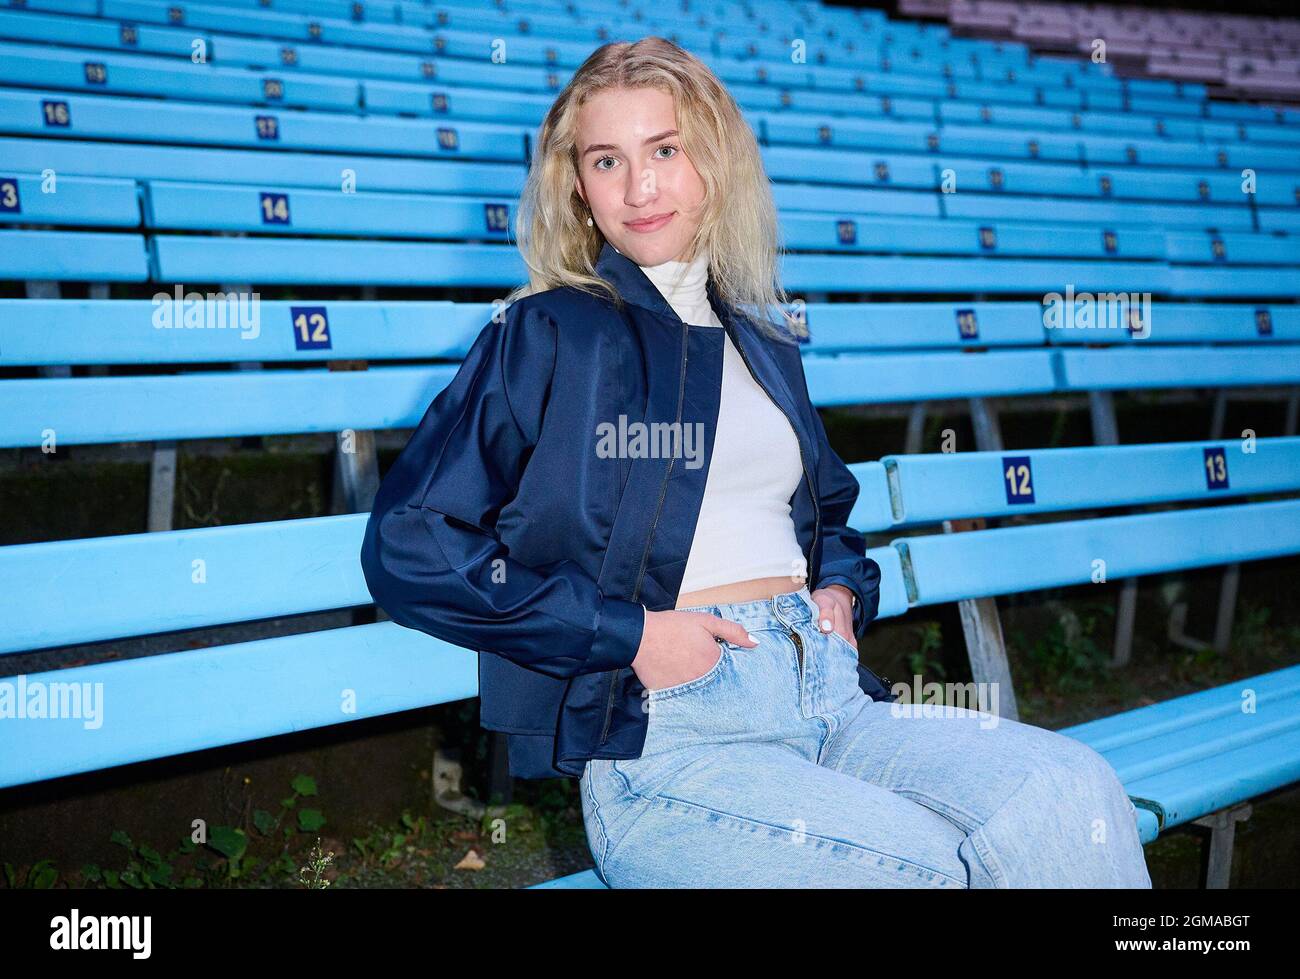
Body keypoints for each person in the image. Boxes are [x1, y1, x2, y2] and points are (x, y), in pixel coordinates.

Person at [362, 37, 1153, 888]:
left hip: (830, 696)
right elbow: (409, 541)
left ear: (713, 158)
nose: (641, 186)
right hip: (672, 738)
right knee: (923, 870)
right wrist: (624, 634)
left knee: (1077, 796)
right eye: (607, 160)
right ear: (579, 187)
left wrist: (842, 592)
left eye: (665, 149)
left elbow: (829, 515)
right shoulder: (549, 332)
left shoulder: (762, 336)